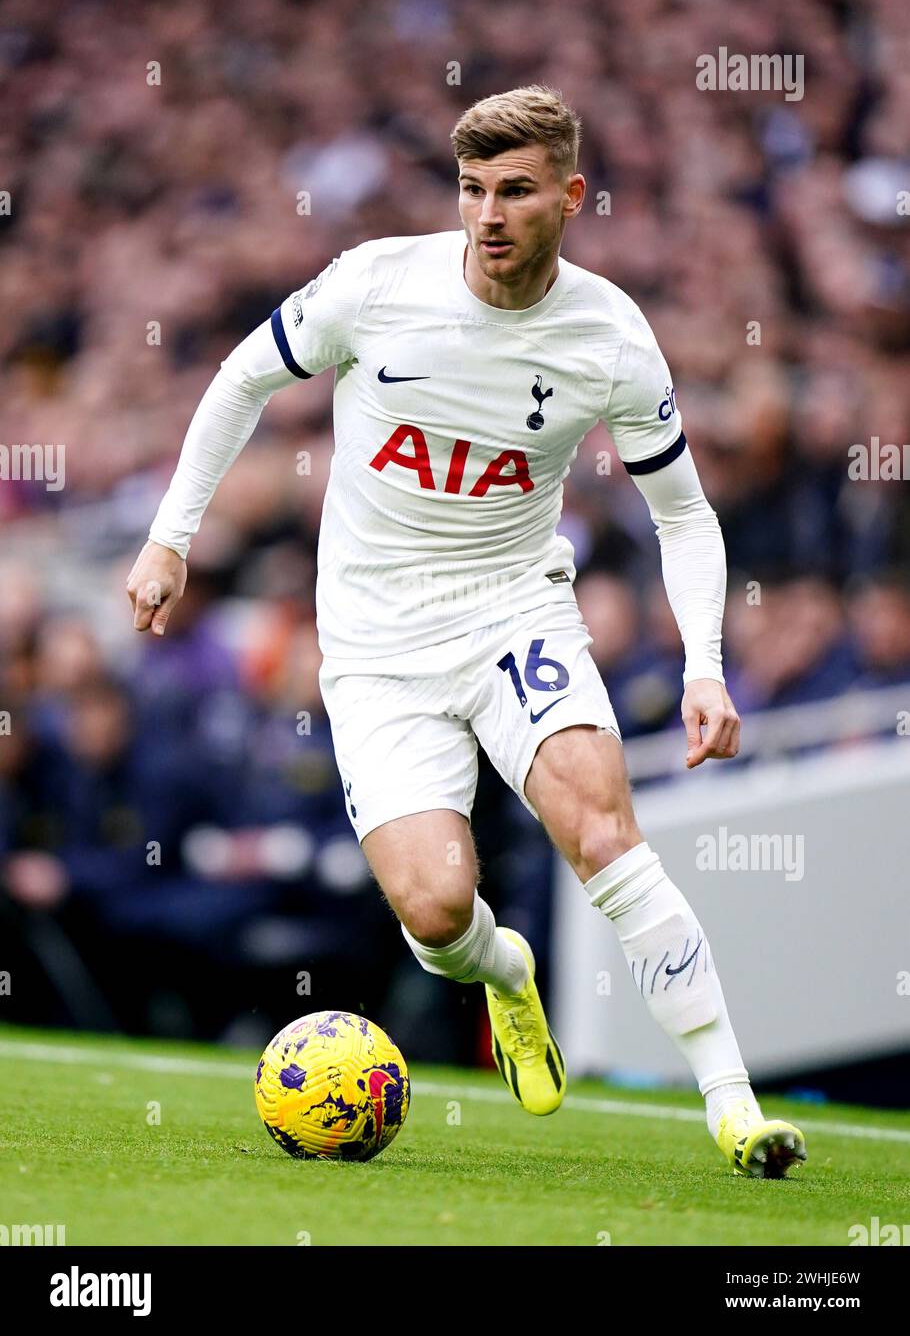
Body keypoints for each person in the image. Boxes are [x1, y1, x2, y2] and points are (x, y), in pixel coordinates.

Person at [127, 85, 806, 1178]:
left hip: (511, 610)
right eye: (472, 190)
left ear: (571, 198)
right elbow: (242, 376)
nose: (488, 215)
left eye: (516, 191)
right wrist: (170, 538)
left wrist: (704, 665)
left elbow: (682, 512)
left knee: (602, 835)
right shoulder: (377, 284)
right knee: (438, 910)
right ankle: (503, 973)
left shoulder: (610, 336)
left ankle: (735, 1108)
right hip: (377, 643)